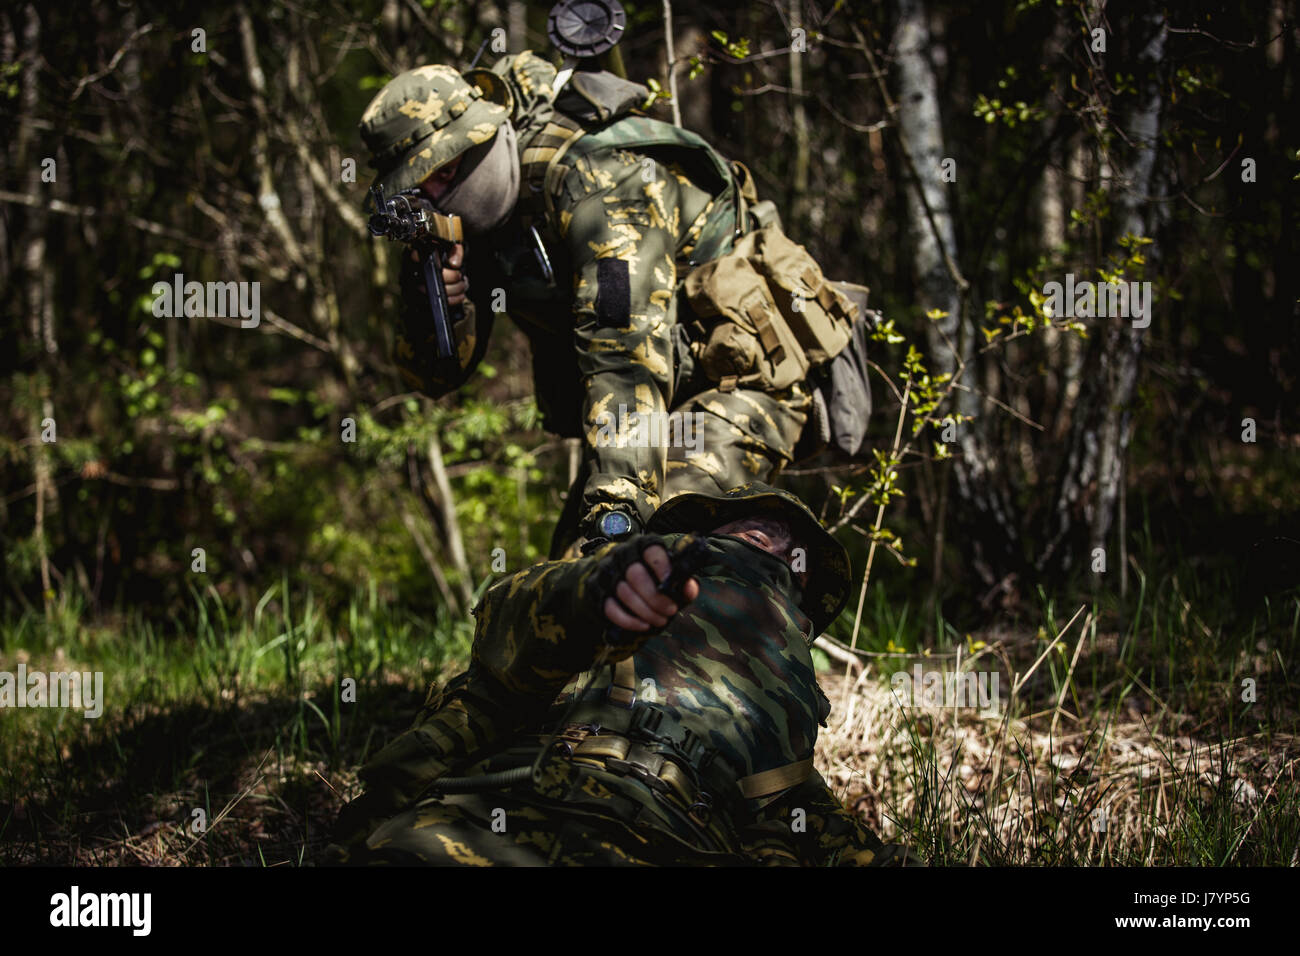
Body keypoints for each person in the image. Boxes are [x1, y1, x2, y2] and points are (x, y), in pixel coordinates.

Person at [357, 53, 867, 557]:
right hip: (644, 409)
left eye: (442, 172)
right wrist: (439, 300)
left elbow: (625, 356)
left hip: (739, 384)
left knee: (653, 555)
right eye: (416, 187)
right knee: (563, 601)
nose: (435, 196)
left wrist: (614, 514)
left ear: (487, 133)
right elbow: (432, 378)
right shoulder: (463, 223)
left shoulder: (601, 180)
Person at [324, 482, 915, 866]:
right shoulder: (599, 596)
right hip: (505, 809)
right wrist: (598, 591)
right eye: (748, 531)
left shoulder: (787, 722)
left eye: (790, 557)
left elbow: (802, 818)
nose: (774, 545)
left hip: (675, 839)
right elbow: (508, 629)